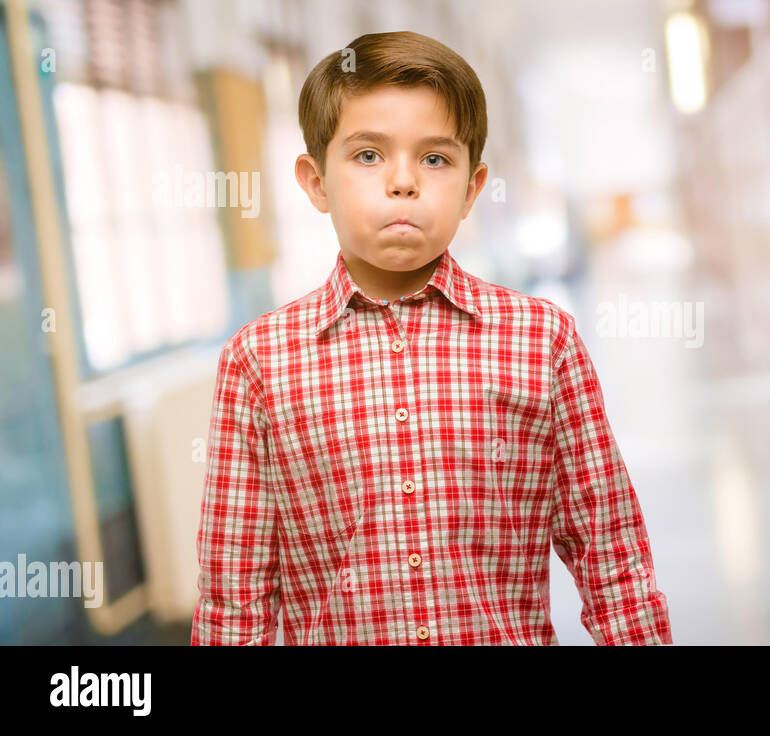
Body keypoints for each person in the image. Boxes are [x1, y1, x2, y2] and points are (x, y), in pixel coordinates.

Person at [190, 30, 671, 645]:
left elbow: (610, 553)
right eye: (368, 155)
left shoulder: (541, 341)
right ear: (315, 182)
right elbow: (236, 596)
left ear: (472, 188)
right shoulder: (260, 363)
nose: (403, 182)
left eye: (435, 159)